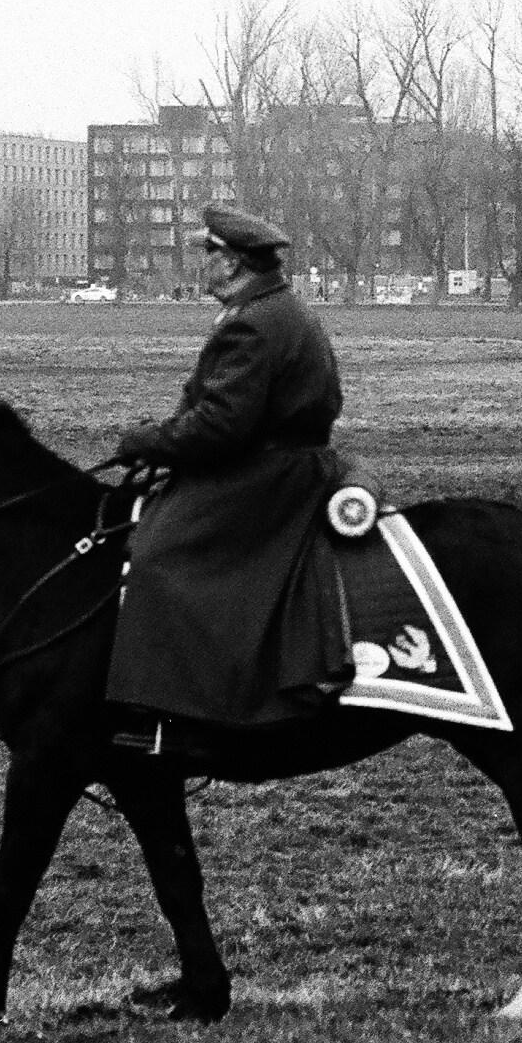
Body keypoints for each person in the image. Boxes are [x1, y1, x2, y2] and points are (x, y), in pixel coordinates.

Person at [103, 205, 349, 747]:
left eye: (206, 253)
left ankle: (166, 716)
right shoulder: (277, 308)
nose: (201, 265)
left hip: (266, 472)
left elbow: (222, 427)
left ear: (233, 262)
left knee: (156, 554)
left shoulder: (252, 324)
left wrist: (146, 441)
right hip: (283, 461)